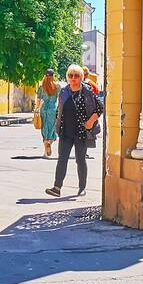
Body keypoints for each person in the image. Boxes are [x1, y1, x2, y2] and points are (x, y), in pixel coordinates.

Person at [45, 65, 102, 197]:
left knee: (80, 160)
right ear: (68, 77)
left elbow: (100, 107)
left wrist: (90, 122)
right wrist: (56, 127)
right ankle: (57, 187)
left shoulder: (87, 91)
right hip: (66, 132)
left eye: (76, 76)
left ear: (81, 77)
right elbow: (59, 111)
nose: (73, 78)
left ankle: (82, 187)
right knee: (62, 159)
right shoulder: (64, 92)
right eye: (71, 76)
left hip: (81, 132)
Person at [35, 69, 59, 157]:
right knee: (52, 129)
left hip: (43, 110)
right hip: (52, 110)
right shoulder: (57, 86)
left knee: (44, 128)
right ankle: (49, 143)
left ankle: (46, 150)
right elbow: (60, 100)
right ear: (53, 76)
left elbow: (38, 100)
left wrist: (36, 109)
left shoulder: (41, 87)